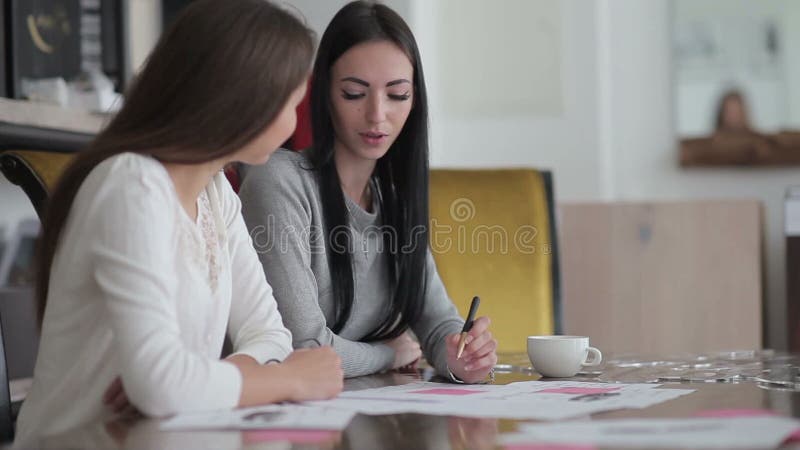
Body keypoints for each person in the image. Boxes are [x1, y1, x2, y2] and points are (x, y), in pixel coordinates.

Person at [15, 0, 342, 444]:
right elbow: (162, 386)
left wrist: (195, 382)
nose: (293, 123)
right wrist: (291, 380)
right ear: (243, 100)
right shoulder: (131, 185)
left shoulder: (216, 191)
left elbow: (270, 334)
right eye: (292, 102)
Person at [239, 0, 497, 383]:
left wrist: (463, 356)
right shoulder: (279, 181)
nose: (378, 114)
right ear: (324, 93)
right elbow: (304, 347)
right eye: (354, 94)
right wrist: (387, 354)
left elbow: (438, 322)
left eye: (397, 95)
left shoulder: (394, 196)